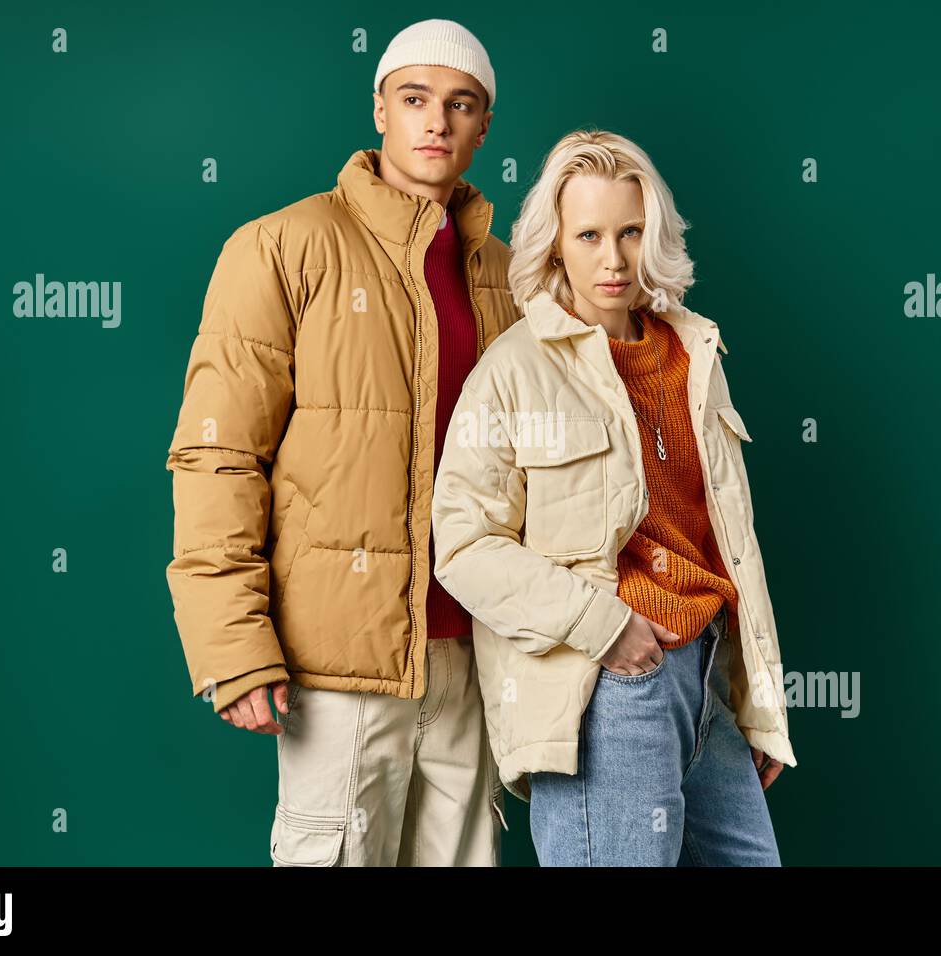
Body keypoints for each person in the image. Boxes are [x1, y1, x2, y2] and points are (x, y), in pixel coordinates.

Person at [164, 19, 518, 866]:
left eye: (460, 105)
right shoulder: (282, 247)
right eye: (415, 99)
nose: (437, 121)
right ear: (380, 112)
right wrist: (234, 645)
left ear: (482, 128)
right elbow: (218, 454)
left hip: (472, 657)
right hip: (336, 665)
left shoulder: (508, 275)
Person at [431, 129, 797, 866]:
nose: (613, 257)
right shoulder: (513, 372)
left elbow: (727, 540)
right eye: (590, 234)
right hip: (604, 688)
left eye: (631, 232)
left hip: (704, 684)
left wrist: (757, 703)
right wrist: (606, 628)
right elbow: (464, 547)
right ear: (556, 244)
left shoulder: (694, 355)